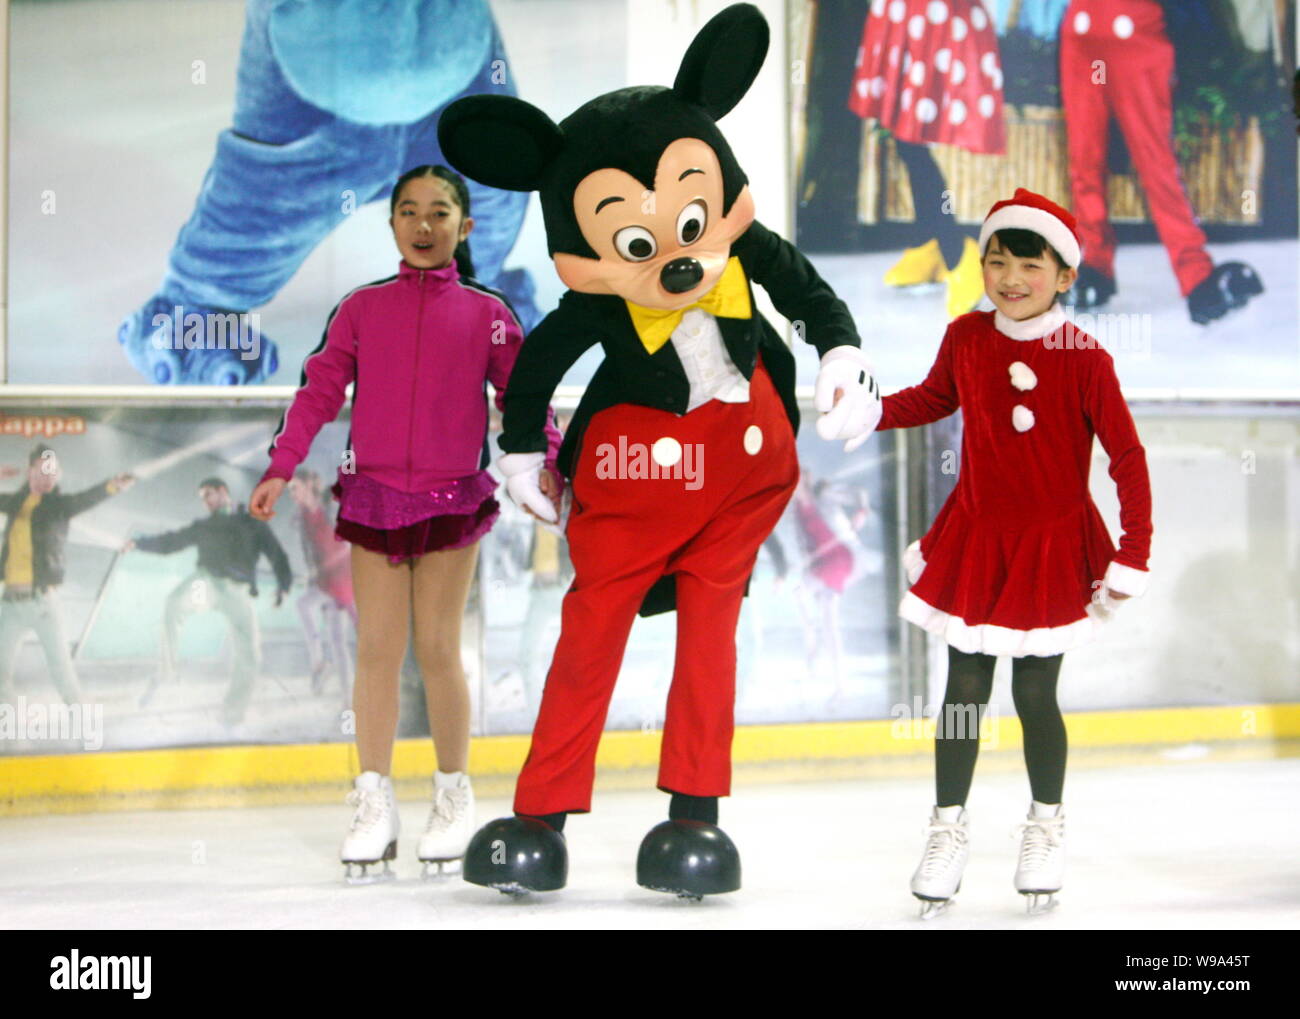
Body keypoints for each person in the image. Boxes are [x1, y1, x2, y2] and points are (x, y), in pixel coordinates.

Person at [248, 164, 562, 883]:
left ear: (465, 225)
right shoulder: (360, 308)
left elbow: (524, 397)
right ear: (391, 223)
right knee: (378, 653)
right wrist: (281, 464)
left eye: (440, 212)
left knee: (441, 649)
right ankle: (374, 800)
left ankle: (453, 792)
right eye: (410, 211)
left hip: (455, 499)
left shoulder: (489, 312)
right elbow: (319, 389)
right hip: (375, 498)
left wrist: (544, 461)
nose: (425, 225)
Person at [861, 189, 1153, 916]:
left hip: (1052, 545)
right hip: (976, 537)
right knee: (963, 689)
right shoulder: (966, 337)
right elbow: (931, 398)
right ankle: (947, 826)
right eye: (997, 261)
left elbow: (1127, 459)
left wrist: (1132, 553)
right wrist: (871, 409)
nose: (1011, 277)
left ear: (1063, 275)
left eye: (1030, 263)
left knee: (1032, 692)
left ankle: (1045, 823)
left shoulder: (1085, 358)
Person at [115, 0, 541, 385]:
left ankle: (473, 297)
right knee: (261, 208)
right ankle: (195, 315)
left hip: (446, 55)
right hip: (322, 60)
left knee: (484, 198)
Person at [1059, 0, 1263, 322]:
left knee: (1154, 159)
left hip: (1137, 33)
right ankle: (1094, 263)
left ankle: (1195, 275)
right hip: (1082, 34)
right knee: (1085, 158)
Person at [848, 0, 1008, 319]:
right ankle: (929, 244)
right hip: (903, 13)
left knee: (910, 135)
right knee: (902, 132)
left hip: (937, 17)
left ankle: (955, 251)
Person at [126, 477, 292, 726]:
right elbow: (172, 541)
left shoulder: (252, 522)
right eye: (202, 498)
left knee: (251, 657)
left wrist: (284, 585)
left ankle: (231, 716)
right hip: (207, 585)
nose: (206, 502)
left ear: (223, 492)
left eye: (209, 495)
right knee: (174, 604)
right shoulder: (204, 526)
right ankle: (167, 674)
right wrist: (138, 543)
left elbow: (276, 553)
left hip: (237, 592)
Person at [0, 446, 134, 706]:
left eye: (53, 471)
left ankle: (80, 723)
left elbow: (85, 499)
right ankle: (14, 719)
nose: (48, 475)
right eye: (42, 469)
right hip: (9, 605)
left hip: (43, 604)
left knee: (62, 672)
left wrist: (112, 486)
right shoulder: (13, 503)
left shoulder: (59, 507)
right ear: (30, 471)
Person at [287, 467, 356, 706]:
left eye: (294, 488)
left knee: (356, 636)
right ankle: (327, 673)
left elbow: (348, 541)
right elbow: (310, 553)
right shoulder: (302, 518)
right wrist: (312, 573)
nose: (292, 494)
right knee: (335, 639)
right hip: (327, 582)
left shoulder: (332, 506)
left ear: (308, 485)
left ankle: (371, 687)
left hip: (348, 579)